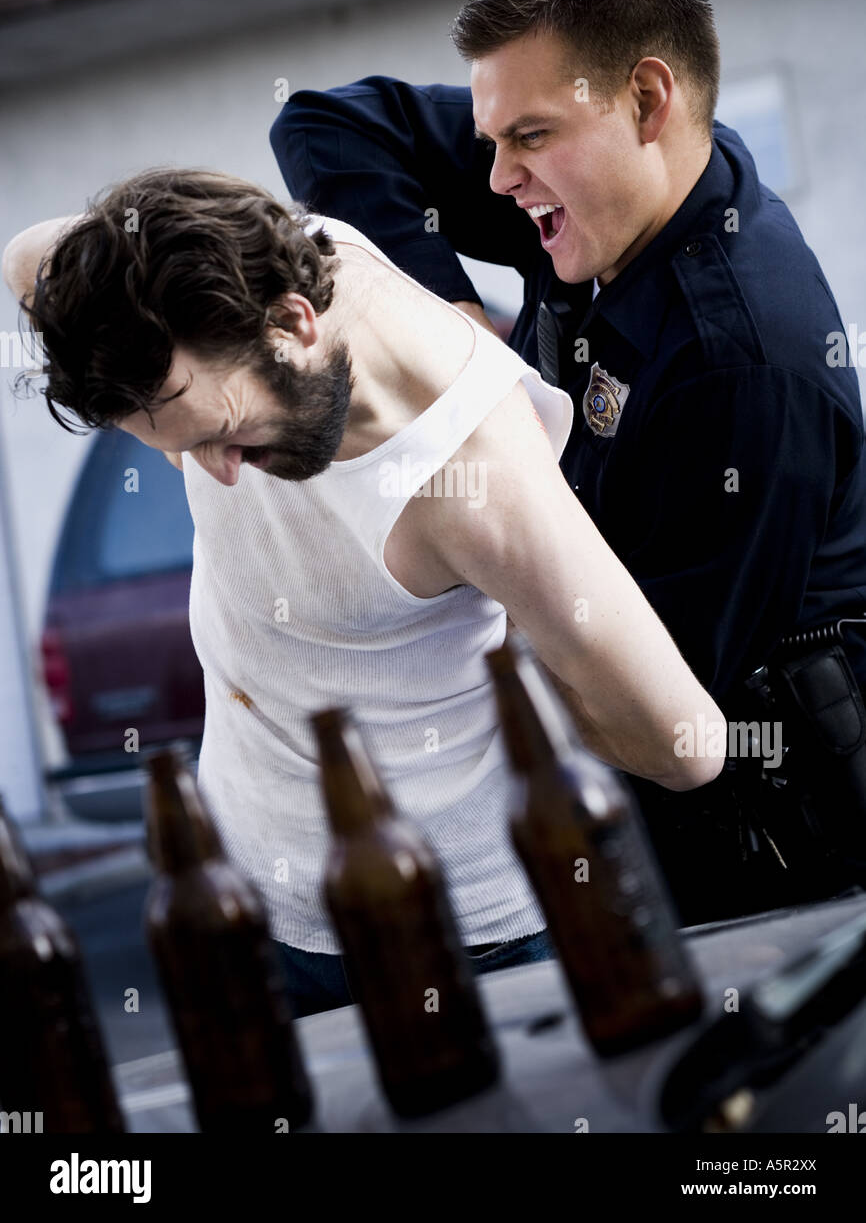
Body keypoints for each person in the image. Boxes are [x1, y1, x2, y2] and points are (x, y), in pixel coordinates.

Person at [4, 169, 723, 1016]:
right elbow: (26, 256)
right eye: (185, 447)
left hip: (455, 937)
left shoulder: (474, 474)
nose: (217, 474)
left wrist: (540, 680)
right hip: (254, 897)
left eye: (226, 436)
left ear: (292, 323)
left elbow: (689, 743)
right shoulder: (230, 270)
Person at [269, 0, 866, 925]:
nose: (497, 177)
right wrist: (453, 326)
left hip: (762, 858)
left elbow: (648, 695)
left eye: (528, 137)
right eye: (493, 137)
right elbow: (327, 126)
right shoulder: (602, 198)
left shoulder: (734, 362)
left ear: (644, 101)